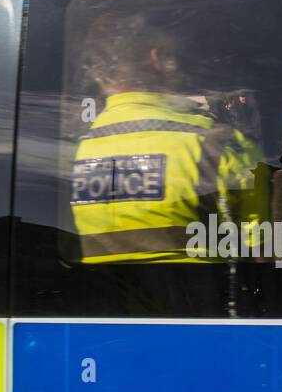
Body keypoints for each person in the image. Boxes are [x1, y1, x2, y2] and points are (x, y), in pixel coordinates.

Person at [70, 15, 266, 263]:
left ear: (102, 75)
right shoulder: (220, 144)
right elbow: (264, 249)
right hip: (197, 298)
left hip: (98, 298)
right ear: (157, 59)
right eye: (173, 56)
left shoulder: (73, 150)